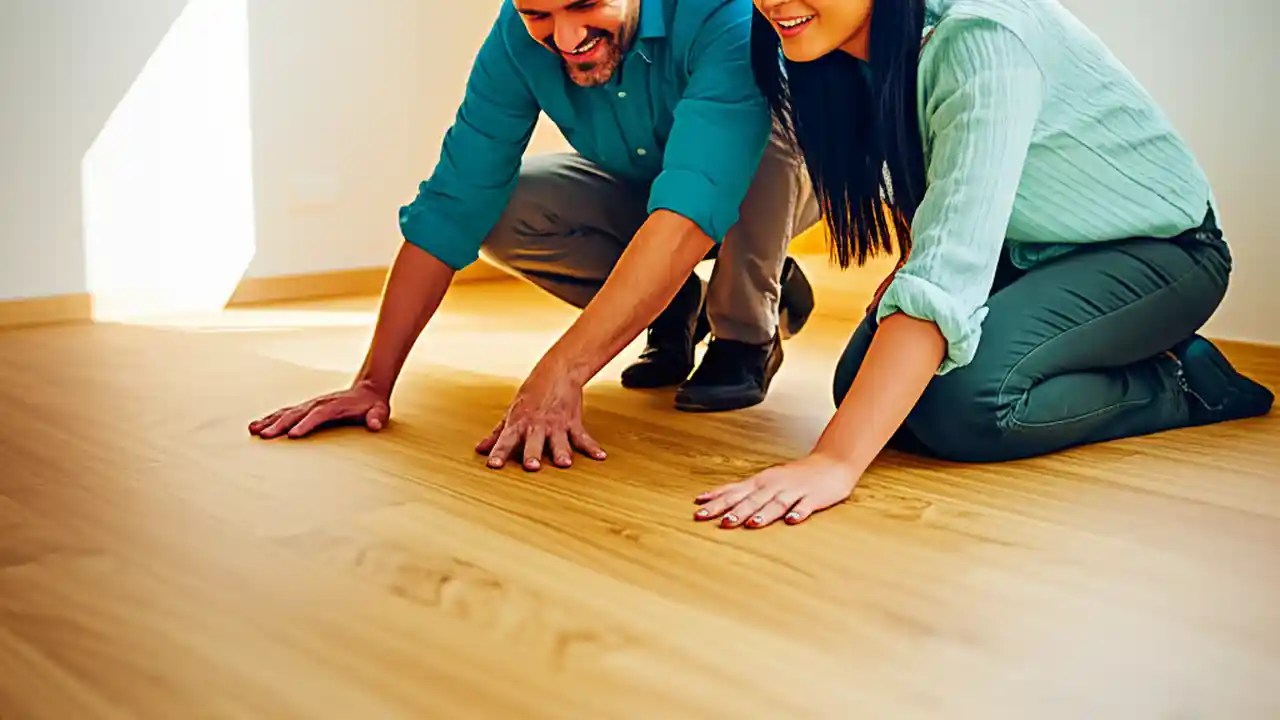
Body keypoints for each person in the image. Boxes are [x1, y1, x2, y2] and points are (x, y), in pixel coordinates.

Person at [694, 0, 1274, 529]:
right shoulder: (831, 52)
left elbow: (948, 272)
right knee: (859, 387)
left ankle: (1183, 380)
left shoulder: (982, 34)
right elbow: (934, 197)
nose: (771, 1)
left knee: (963, 406)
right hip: (1026, 252)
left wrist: (832, 461)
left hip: (1164, 252)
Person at [249, 0, 822, 466]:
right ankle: (674, 309)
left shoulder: (725, 16)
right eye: (539, 14)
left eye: (585, 5)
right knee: (499, 206)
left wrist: (560, 373)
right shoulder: (517, 36)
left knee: (764, 130)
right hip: (645, 184)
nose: (566, 37)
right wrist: (373, 381)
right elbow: (453, 201)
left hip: (773, 177)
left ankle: (747, 329)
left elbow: (693, 201)